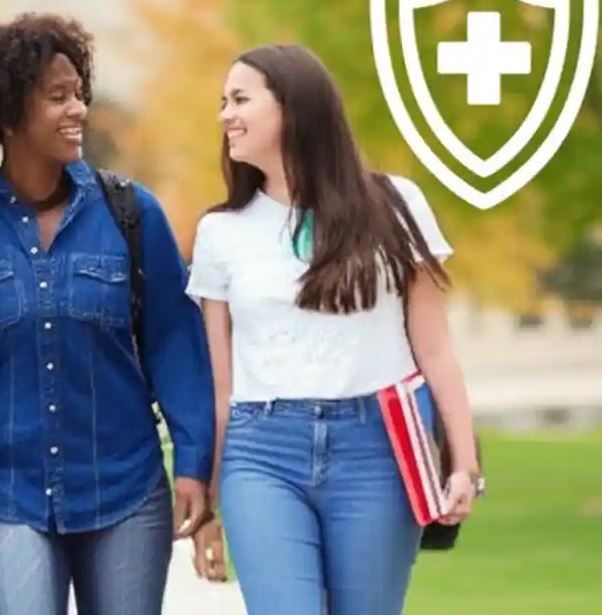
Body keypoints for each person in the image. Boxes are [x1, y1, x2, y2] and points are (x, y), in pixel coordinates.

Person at [0, 13, 216, 615]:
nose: (78, 110)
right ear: (5, 113)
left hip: (126, 492)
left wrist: (194, 463)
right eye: (57, 97)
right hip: (7, 499)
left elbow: (177, 351)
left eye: (80, 94)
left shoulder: (131, 213)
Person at [185, 43, 482, 613]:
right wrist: (213, 502)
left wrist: (463, 464)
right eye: (223, 101)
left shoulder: (396, 206)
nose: (225, 115)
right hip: (261, 452)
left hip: (378, 450)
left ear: (294, 107)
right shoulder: (221, 233)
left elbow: (436, 350)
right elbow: (221, 388)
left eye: (241, 99)